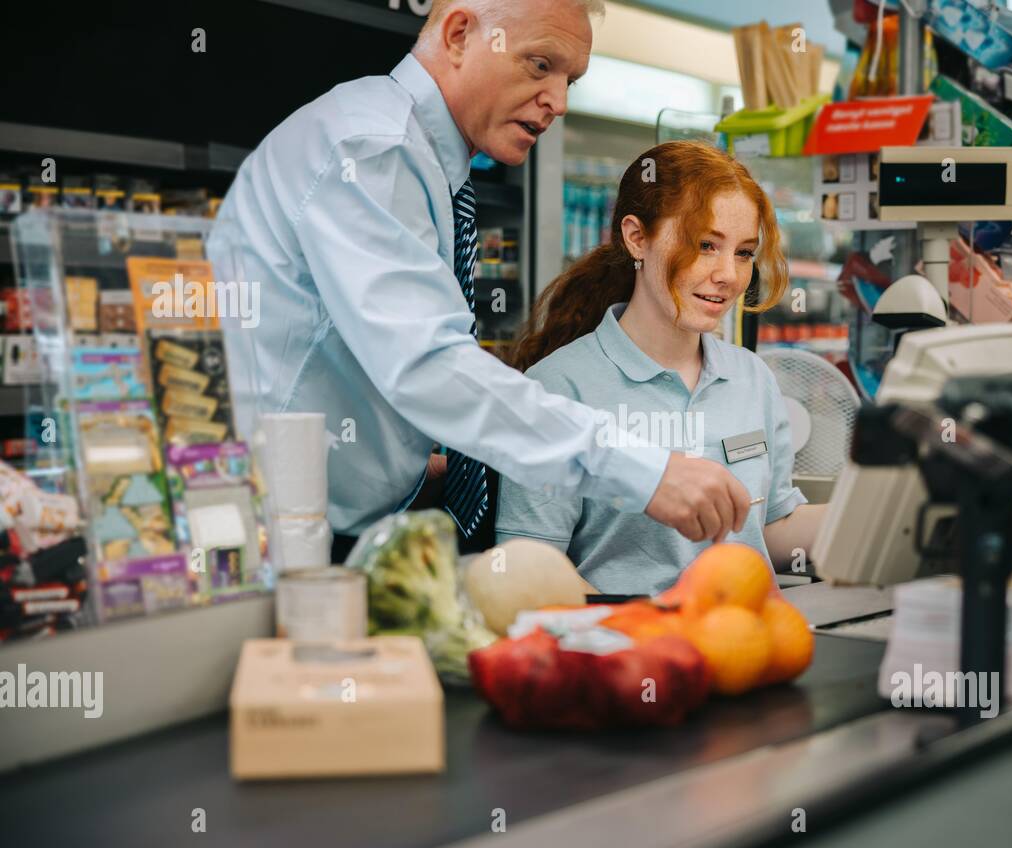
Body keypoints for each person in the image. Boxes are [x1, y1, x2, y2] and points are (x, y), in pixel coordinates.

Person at [207, 0, 751, 561]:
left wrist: (416, 460)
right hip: (277, 540)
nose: (558, 102)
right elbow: (427, 365)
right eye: (540, 65)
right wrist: (644, 471)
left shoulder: (420, 157)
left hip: (336, 526)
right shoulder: (373, 147)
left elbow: (364, 356)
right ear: (461, 34)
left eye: (570, 79)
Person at [496, 142, 827, 595]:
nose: (729, 275)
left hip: (751, 648)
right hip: (630, 653)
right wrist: (653, 628)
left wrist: (883, 514)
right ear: (637, 238)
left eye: (745, 253)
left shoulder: (753, 378)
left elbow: (768, 528)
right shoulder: (557, 389)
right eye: (705, 245)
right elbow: (529, 570)